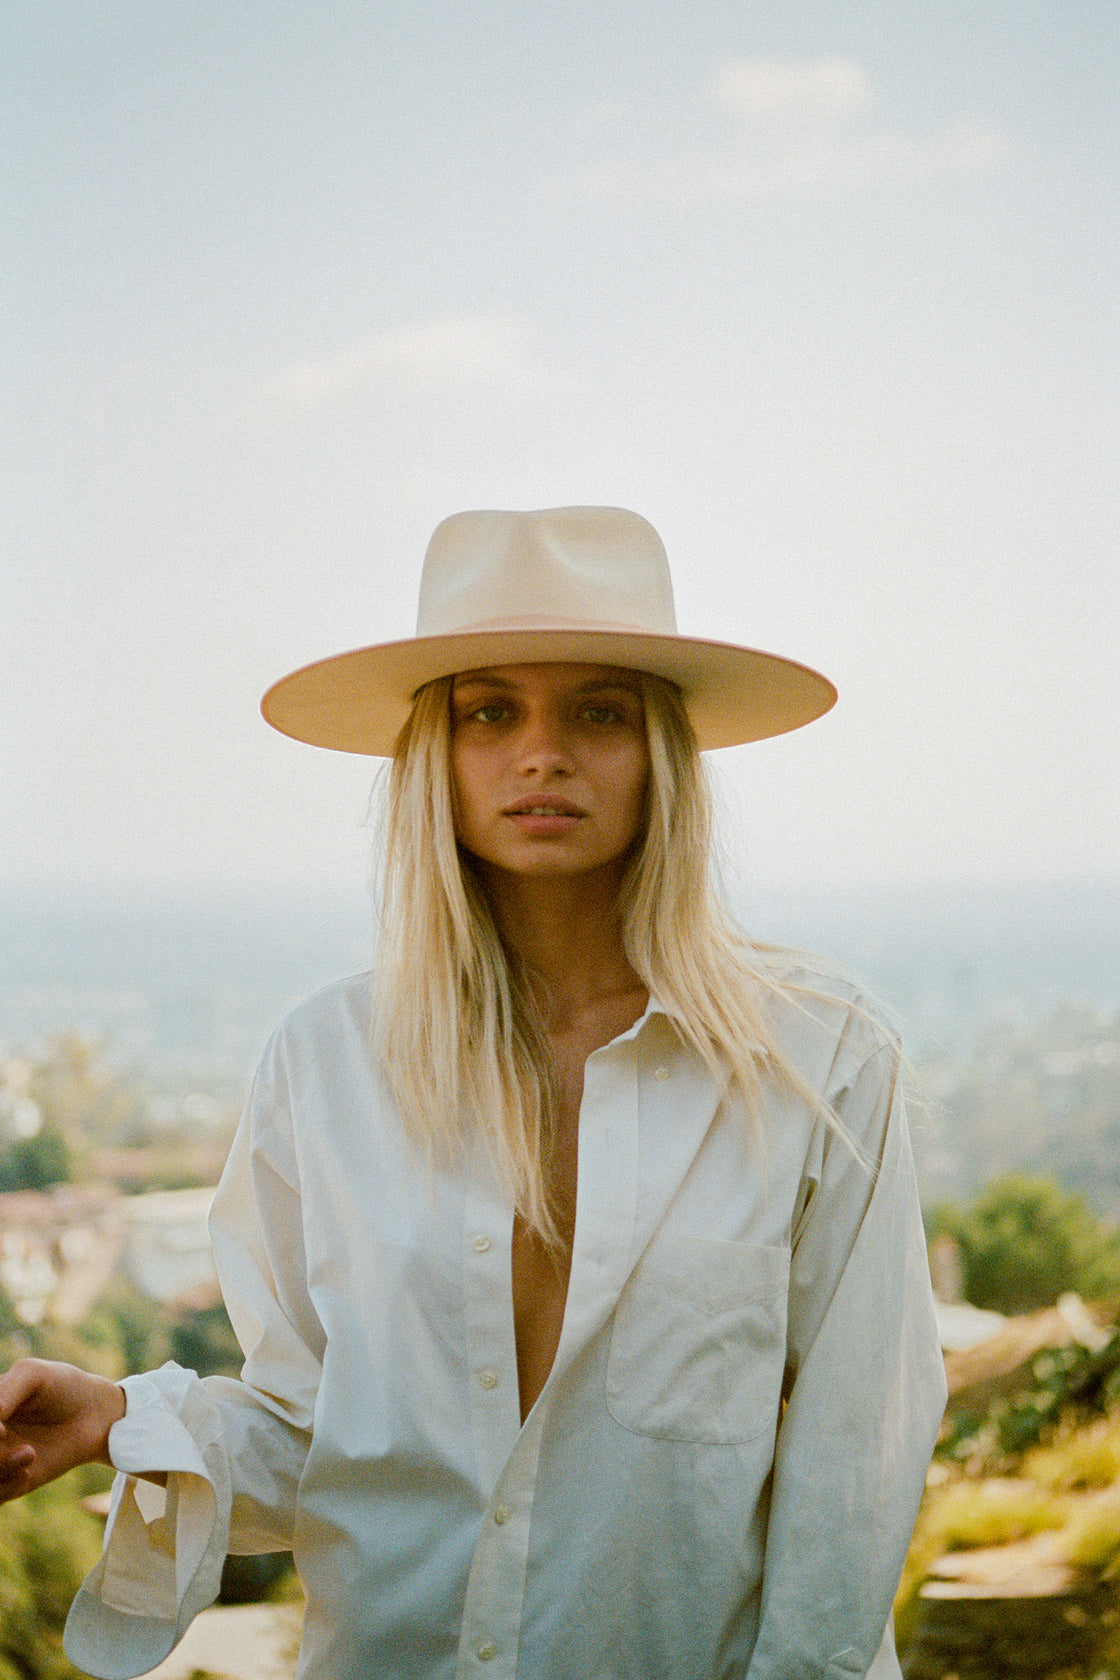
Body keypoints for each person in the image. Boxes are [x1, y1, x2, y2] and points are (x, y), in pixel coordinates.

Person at [0, 506, 946, 1679]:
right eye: (489, 712)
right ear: (431, 757)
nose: (540, 755)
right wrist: (121, 1419)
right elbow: (318, 1439)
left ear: (660, 751)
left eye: (598, 712)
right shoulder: (323, 1063)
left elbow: (856, 1460)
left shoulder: (818, 1061)